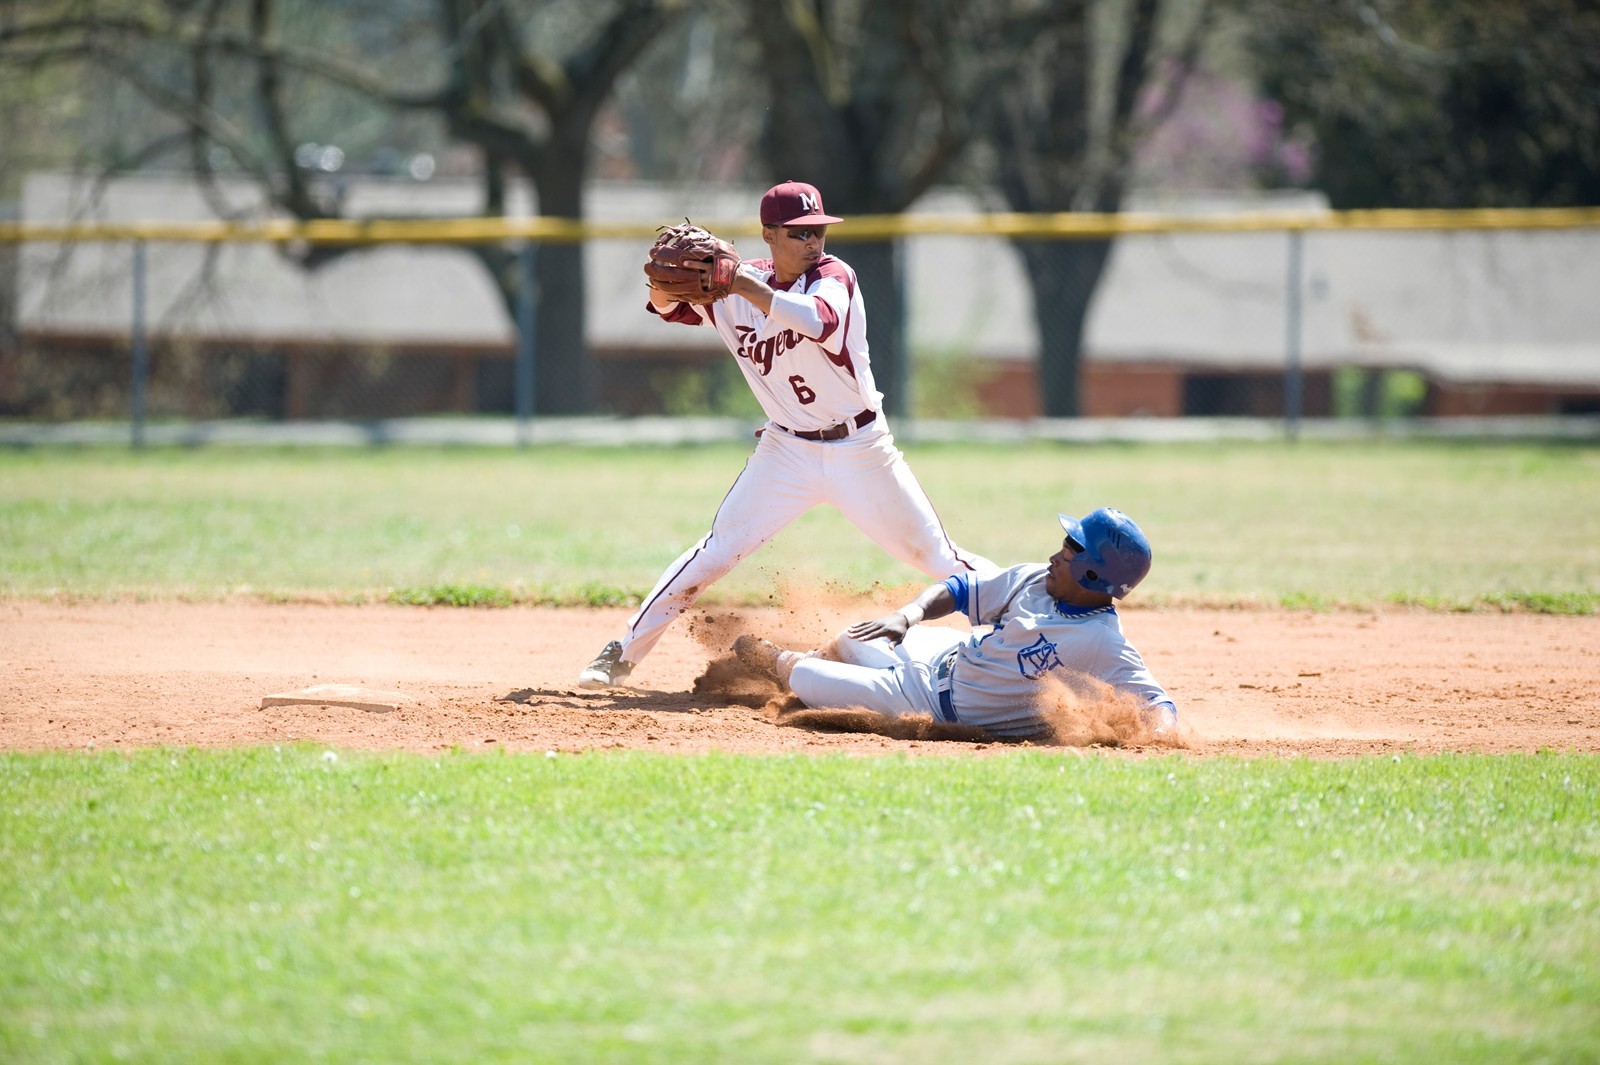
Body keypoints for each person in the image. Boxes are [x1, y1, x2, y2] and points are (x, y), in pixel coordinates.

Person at [578, 180, 995, 688]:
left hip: (860, 450)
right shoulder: (734, 286)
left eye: (818, 230)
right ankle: (621, 652)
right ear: (769, 235)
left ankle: (1038, 622)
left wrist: (740, 285)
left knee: (937, 557)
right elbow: (668, 306)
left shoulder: (834, 276)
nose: (813, 241)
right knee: (714, 552)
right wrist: (668, 281)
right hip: (786, 451)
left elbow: (818, 321)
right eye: (799, 233)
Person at [732, 507, 1178, 740]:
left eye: (1066, 556)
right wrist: (907, 615)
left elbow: (1157, 703)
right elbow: (961, 588)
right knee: (853, 635)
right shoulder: (1036, 581)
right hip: (939, 658)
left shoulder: (1100, 642)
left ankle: (785, 664)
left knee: (807, 677)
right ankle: (837, 664)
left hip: (926, 704)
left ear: (1093, 575)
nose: (1053, 558)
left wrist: (1156, 739)